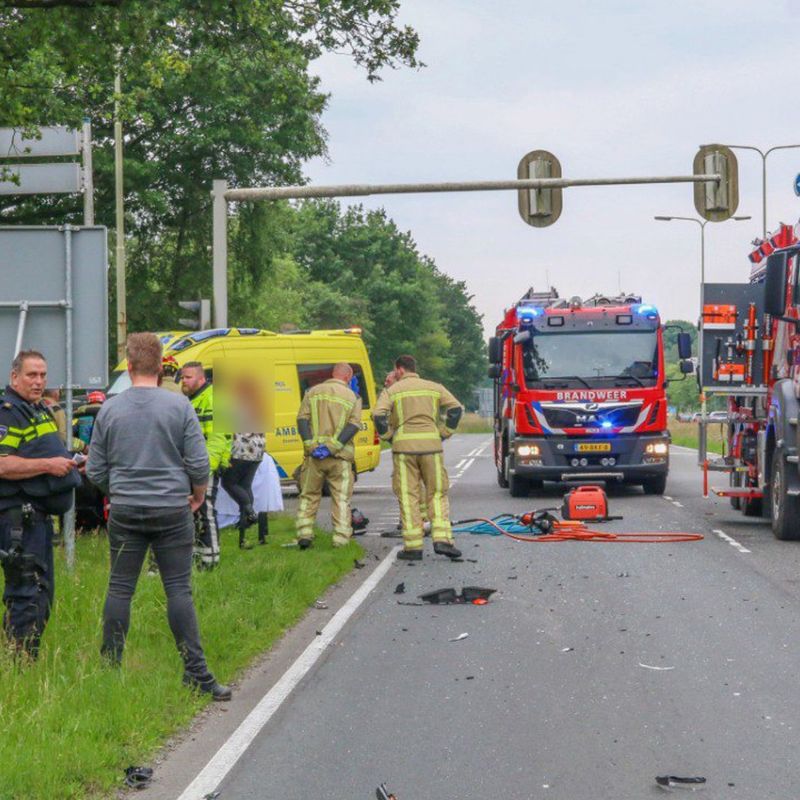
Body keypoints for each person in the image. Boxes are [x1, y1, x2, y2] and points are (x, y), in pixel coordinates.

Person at [87, 333, 231, 701]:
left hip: (126, 510)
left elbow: (95, 470)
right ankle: (197, 673)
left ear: (131, 365)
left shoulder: (110, 410)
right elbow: (199, 464)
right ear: (161, 364)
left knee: (120, 588)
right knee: (178, 589)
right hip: (172, 508)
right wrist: (197, 496)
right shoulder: (179, 406)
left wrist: (117, 492)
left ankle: (109, 671)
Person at [0, 350, 81, 657]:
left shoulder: (37, 409)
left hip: (40, 519)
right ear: (14, 377)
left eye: (43, 375)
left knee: (41, 594)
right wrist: (49, 465)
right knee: (26, 593)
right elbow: (2, 464)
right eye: (32, 375)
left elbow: (44, 451)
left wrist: (70, 463)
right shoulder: (9, 412)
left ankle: (25, 659)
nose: (38, 381)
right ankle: (18, 663)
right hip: (19, 519)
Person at [373, 354, 463, 560]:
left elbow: (378, 415)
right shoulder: (434, 387)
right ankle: (443, 540)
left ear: (399, 370)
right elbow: (456, 409)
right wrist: (444, 433)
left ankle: (413, 547)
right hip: (432, 447)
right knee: (437, 493)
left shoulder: (392, 390)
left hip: (404, 449)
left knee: (409, 495)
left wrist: (388, 436)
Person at [295, 362, 362, 549]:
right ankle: (340, 539)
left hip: (313, 458)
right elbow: (354, 425)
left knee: (308, 495)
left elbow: (302, 419)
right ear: (348, 377)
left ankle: (304, 534)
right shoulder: (353, 397)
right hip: (339, 458)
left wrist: (311, 445)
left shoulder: (312, 392)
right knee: (340, 498)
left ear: (333, 373)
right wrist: (332, 447)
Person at [180, 362, 230, 569]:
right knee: (194, 512)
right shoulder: (190, 401)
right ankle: (197, 557)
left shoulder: (216, 399)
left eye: (188, 377)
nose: (183, 381)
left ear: (201, 378)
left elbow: (219, 438)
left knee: (206, 509)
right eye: (182, 377)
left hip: (205, 466)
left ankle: (211, 560)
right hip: (192, 466)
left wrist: (204, 468)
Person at [221, 432, 265, 549]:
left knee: (228, 483)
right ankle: (247, 518)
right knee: (245, 485)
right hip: (258, 447)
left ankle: (250, 513)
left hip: (240, 449)